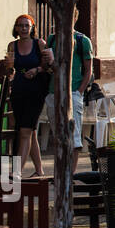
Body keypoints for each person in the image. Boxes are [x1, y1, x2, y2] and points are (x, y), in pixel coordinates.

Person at [43, 26, 94, 175]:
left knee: (74, 137)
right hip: (54, 92)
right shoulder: (52, 39)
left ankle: (69, 174)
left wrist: (79, 92)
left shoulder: (82, 40)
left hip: (73, 92)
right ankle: (60, 172)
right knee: (57, 136)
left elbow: (88, 70)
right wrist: (48, 63)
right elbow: (46, 66)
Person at [5, 14, 50, 178]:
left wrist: (37, 70)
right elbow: (10, 70)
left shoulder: (40, 44)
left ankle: (17, 170)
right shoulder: (12, 45)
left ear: (32, 28)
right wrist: (8, 68)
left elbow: (49, 66)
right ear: (16, 28)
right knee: (29, 132)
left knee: (24, 131)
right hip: (18, 90)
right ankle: (39, 170)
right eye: (20, 26)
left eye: (26, 26)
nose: (23, 29)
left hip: (36, 91)